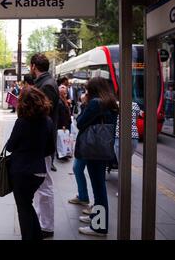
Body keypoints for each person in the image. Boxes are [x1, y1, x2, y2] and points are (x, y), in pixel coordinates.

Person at [6, 87, 55, 240]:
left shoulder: (21, 122)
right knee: (27, 205)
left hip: (22, 173)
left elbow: (10, 146)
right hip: (39, 172)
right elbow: (50, 149)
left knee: (24, 209)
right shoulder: (48, 121)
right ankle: (37, 236)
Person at [75, 77, 118, 237]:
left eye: (87, 90)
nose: (86, 93)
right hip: (103, 148)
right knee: (99, 186)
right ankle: (96, 216)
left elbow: (80, 122)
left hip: (94, 150)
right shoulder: (110, 102)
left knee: (98, 188)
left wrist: (84, 104)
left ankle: (99, 226)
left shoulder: (95, 103)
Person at [29, 53, 59, 238]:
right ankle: (43, 221)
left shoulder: (46, 86)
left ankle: (47, 226)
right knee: (42, 183)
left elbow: (43, 116)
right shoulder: (46, 83)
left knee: (45, 184)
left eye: (29, 66)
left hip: (43, 143)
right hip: (42, 142)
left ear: (34, 66)